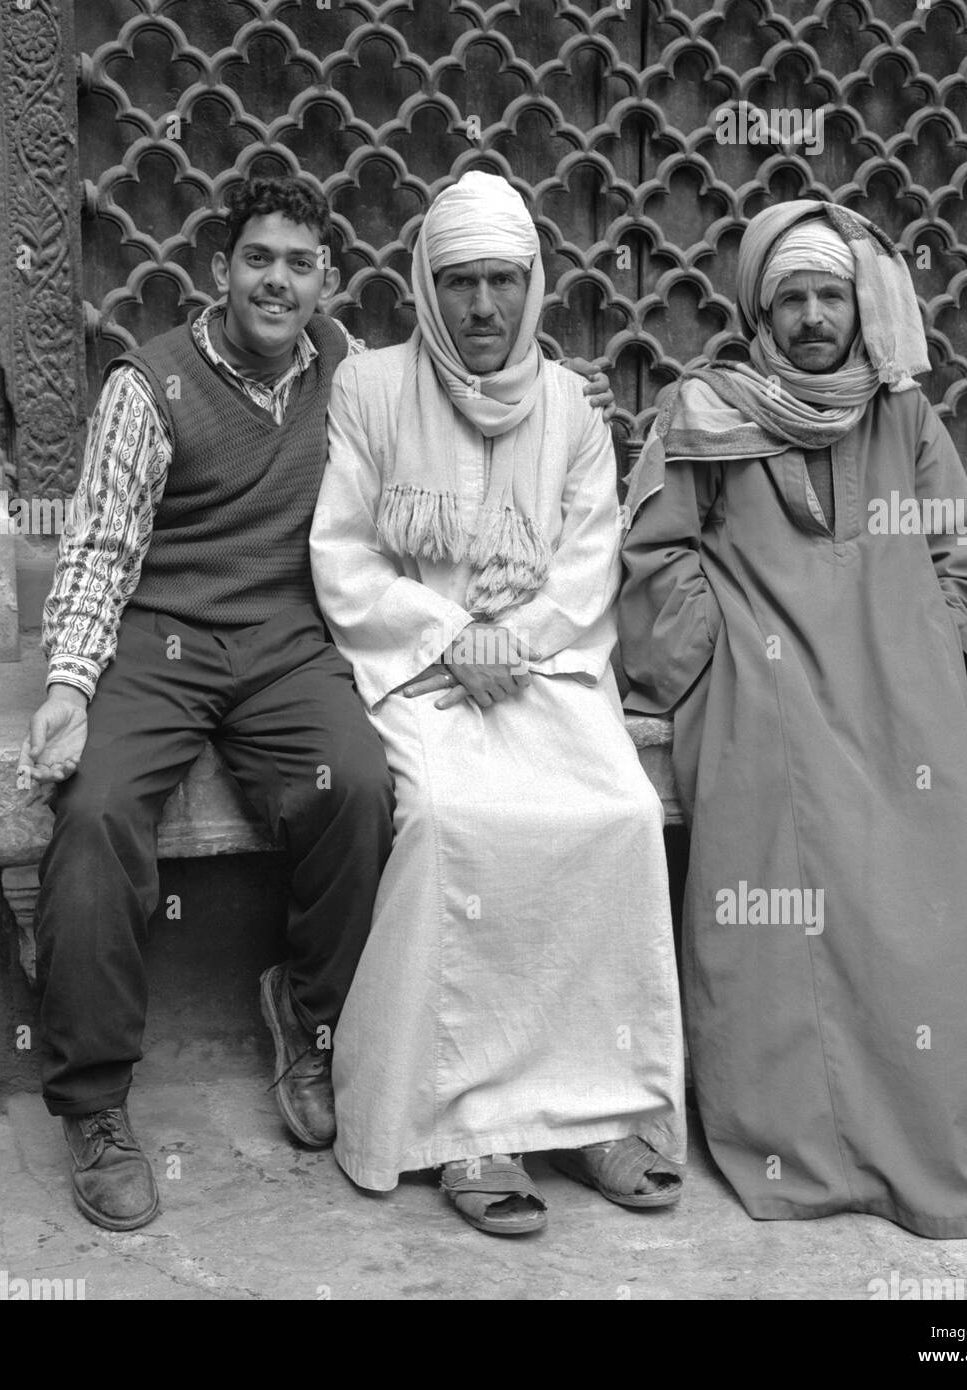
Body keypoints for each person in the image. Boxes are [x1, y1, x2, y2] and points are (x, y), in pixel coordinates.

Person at [20, 175, 615, 1232]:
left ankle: (310, 1018)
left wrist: (563, 389)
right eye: (258, 260)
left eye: (300, 265)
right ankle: (92, 1099)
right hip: (160, 645)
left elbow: (465, 386)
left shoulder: (347, 370)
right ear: (219, 270)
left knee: (356, 789)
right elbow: (100, 548)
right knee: (99, 810)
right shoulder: (148, 387)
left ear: (327, 282)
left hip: (288, 646)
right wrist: (70, 686)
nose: (277, 283)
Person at [618, 198, 967, 1238]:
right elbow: (655, 557)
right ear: (756, 307)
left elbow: (955, 555)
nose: (808, 317)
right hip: (769, 692)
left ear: (854, 303)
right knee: (776, 884)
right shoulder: (702, 411)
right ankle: (800, 1133)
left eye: (827, 295)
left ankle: (945, 1112)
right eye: (787, 297)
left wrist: (937, 659)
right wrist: (715, 663)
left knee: (920, 890)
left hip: (894, 697)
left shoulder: (902, 413)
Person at [310, 170, 685, 1235]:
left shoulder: (568, 402)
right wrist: (445, 636)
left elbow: (586, 557)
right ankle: (467, 1124)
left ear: (534, 288)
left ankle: (600, 1107)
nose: (482, 308)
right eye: (460, 283)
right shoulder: (372, 388)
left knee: (613, 817)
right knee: (448, 822)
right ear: (425, 290)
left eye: (502, 283)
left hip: (542, 666)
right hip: (424, 675)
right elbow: (340, 552)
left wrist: (511, 641)